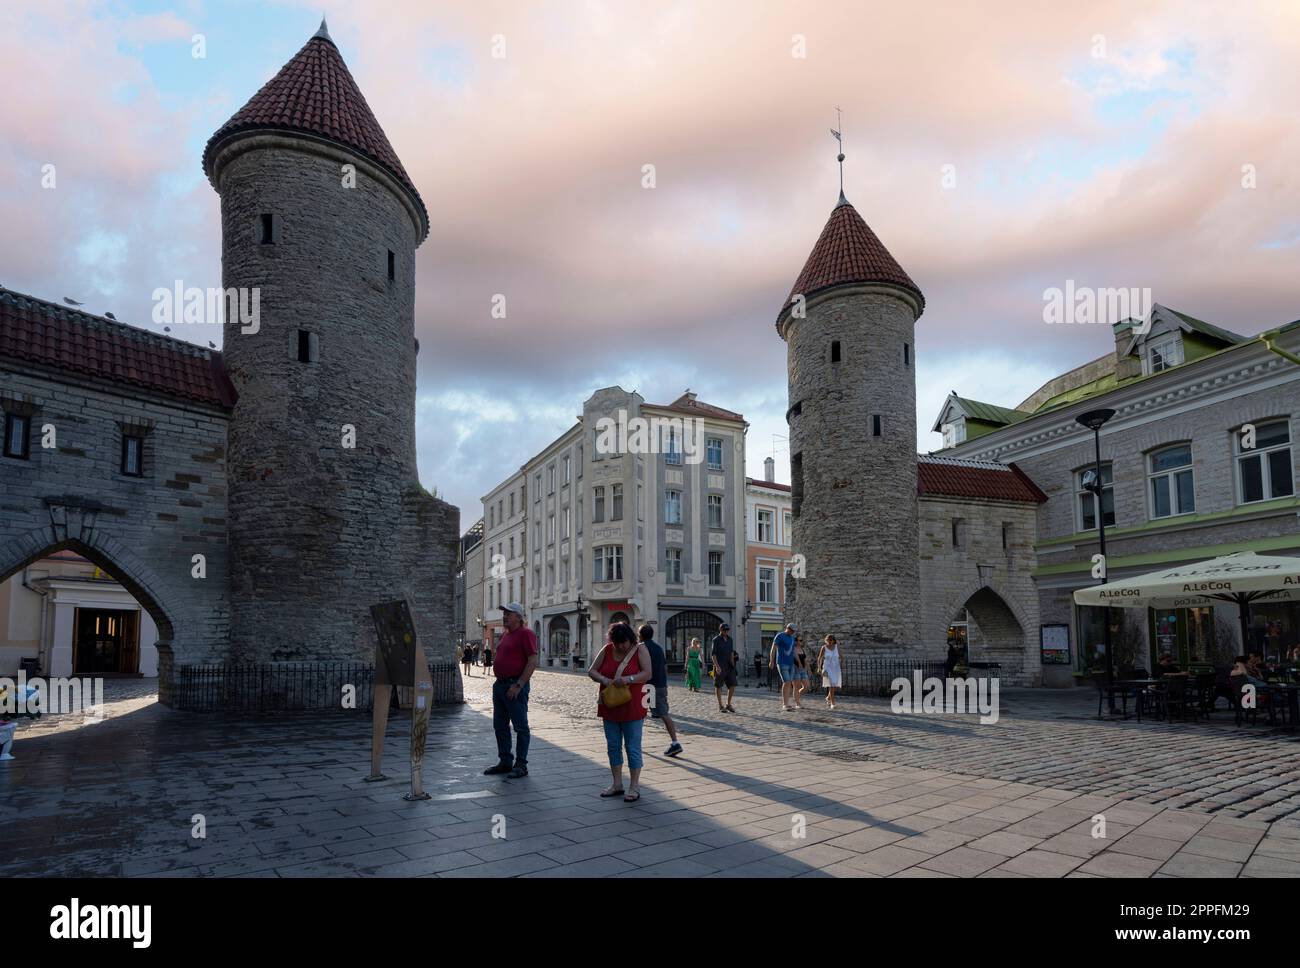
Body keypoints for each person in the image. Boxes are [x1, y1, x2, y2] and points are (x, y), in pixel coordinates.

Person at [589, 622, 653, 801]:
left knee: (632, 746)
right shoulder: (607, 649)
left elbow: (648, 673)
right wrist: (605, 679)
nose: (621, 646)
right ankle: (617, 783)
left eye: (624, 642)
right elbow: (591, 671)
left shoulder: (639, 650)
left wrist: (628, 679)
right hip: (610, 705)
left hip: (632, 706)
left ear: (630, 639)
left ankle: (634, 786)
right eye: (617, 643)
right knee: (613, 746)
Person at [483, 603, 538, 779]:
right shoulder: (506, 634)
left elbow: (532, 661)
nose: (505, 616)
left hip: (514, 686)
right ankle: (505, 761)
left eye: (508, 613)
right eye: (504, 613)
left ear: (519, 617)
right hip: (500, 685)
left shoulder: (526, 633)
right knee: (500, 725)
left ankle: (521, 765)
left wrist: (519, 685)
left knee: (521, 727)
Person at [640, 624, 682, 758]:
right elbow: (665, 667)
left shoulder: (641, 648)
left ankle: (635, 742)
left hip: (648, 686)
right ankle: (675, 742)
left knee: (641, 713)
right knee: (663, 714)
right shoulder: (658, 648)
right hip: (660, 684)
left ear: (640, 635)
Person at [769, 623, 797, 711]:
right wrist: (771, 661)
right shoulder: (780, 636)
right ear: (787, 628)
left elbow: (793, 651)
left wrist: (798, 662)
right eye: (791, 630)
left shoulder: (792, 638)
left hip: (791, 663)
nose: (792, 632)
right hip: (781, 662)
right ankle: (785, 704)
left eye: (794, 631)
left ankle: (787, 703)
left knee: (789, 683)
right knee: (787, 682)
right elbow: (773, 648)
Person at [711, 624, 738, 713]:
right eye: (724, 630)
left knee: (732, 685)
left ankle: (728, 704)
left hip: (729, 666)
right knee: (718, 685)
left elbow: (731, 652)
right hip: (720, 665)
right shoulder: (716, 640)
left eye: (727, 630)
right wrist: (717, 666)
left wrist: (733, 664)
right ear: (720, 630)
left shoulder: (730, 640)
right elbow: (713, 654)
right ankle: (720, 705)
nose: (726, 632)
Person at [818, 634, 842, 709]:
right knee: (832, 684)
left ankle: (828, 698)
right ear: (826, 640)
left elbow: (841, 656)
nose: (830, 641)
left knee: (834, 684)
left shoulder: (837, 647)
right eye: (828, 640)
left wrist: (842, 662)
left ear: (834, 640)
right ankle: (832, 703)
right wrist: (819, 668)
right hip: (827, 667)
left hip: (835, 667)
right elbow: (819, 658)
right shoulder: (824, 648)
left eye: (831, 640)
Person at [791, 636, 809, 709]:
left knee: (806, 686)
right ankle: (797, 703)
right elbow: (795, 658)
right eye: (800, 640)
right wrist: (799, 664)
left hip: (803, 670)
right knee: (796, 686)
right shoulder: (793, 649)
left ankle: (796, 697)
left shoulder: (802, 649)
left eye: (802, 640)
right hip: (795, 669)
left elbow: (805, 660)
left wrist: (809, 669)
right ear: (796, 641)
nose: (801, 642)